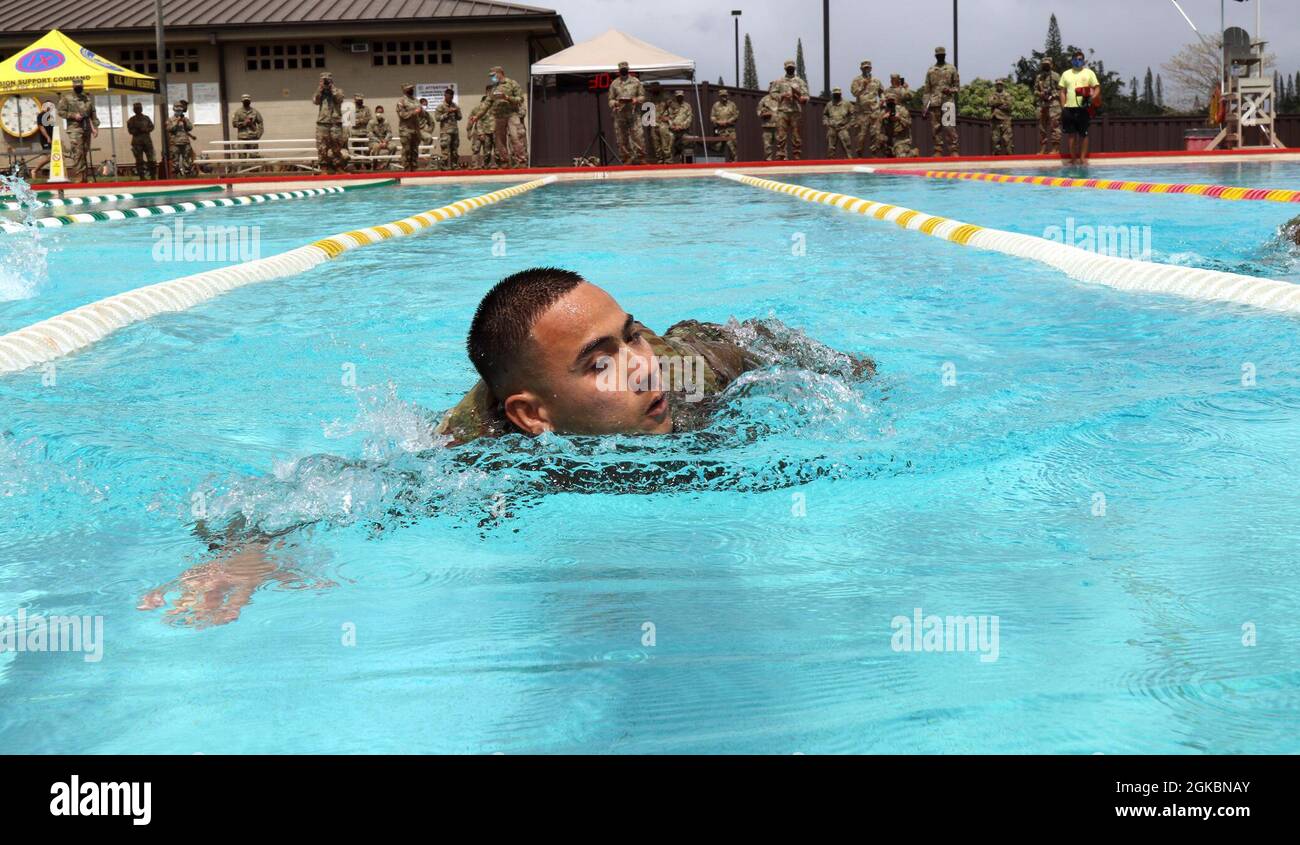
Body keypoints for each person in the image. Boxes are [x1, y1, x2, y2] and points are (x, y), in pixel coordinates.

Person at [138, 268, 875, 626]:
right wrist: (249, 548)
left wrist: (852, 377)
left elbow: (786, 358)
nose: (638, 366)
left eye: (629, 336)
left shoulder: (689, 367)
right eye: (600, 361)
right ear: (530, 414)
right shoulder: (486, 447)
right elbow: (341, 488)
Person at [1059, 50, 1100, 166]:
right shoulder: (1066, 74)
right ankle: (1073, 158)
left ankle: (1082, 158)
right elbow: (1062, 91)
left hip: (1083, 108)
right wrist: (1063, 106)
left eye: (1080, 59)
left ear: (1083, 61)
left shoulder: (1089, 73)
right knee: (1071, 135)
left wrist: (1093, 97)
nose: (1078, 61)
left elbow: (1097, 87)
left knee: (1084, 134)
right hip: (1069, 108)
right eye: (1076, 59)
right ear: (1072, 60)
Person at [56, 78, 99, 182]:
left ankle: (85, 177)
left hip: (86, 128)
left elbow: (92, 113)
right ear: (73, 86)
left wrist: (95, 127)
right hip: (74, 129)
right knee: (77, 152)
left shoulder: (87, 98)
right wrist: (73, 115)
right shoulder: (67, 97)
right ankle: (79, 176)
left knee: (84, 152)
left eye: (81, 86)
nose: (79, 88)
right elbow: (60, 111)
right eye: (77, 86)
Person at [768, 59, 810, 160]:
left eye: (792, 67)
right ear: (785, 68)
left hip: (795, 111)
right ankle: (781, 155)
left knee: (796, 135)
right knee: (781, 134)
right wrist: (782, 95)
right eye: (788, 68)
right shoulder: (779, 81)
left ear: (794, 68)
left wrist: (803, 98)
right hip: (782, 111)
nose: (790, 69)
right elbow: (772, 93)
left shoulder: (800, 81)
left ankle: (797, 154)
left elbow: (806, 95)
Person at [922, 46, 960, 156]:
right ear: (935, 56)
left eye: (942, 55)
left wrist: (950, 90)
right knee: (935, 128)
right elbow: (927, 90)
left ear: (945, 56)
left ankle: (954, 150)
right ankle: (938, 150)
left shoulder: (951, 69)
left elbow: (957, 87)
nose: (940, 57)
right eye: (938, 55)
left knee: (949, 126)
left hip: (948, 101)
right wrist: (925, 107)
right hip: (934, 102)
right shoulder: (931, 70)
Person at [488, 65, 527, 168]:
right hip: (499, 116)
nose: (492, 77)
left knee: (516, 138)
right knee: (500, 140)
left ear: (500, 73)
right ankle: (504, 162)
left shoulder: (512, 83)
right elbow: (487, 102)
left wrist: (507, 97)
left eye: (493, 75)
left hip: (512, 115)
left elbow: (520, 99)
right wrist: (477, 117)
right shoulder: (493, 87)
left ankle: (521, 161)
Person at [608, 61, 647, 165]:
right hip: (620, 115)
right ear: (619, 70)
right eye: (622, 69)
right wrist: (616, 103)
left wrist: (636, 100)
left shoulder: (636, 81)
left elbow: (642, 96)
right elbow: (610, 100)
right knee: (621, 139)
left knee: (638, 137)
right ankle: (626, 159)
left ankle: (641, 158)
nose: (623, 70)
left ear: (628, 69)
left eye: (625, 68)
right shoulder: (614, 83)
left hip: (634, 114)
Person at [312, 72, 346, 173]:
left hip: (335, 123)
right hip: (323, 123)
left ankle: (338, 166)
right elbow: (315, 101)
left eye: (327, 80)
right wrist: (320, 89)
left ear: (332, 81)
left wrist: (332, 88)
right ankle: (324, 168)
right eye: (324, 80)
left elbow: (339, 99)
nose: (326, 82)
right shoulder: (320, 92)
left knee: (337, 146)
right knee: (322, 147)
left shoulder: (338, 91)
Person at [849, 59, 884, 158]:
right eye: (864, 68)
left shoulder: (876, 81)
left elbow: (882, 92)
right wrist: (862, 86)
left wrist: (882, 99)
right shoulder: (856, 80)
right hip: (861, 112)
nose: (866, 69)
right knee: (861, 136)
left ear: (871, 68)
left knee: (876, 134)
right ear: (861, 69)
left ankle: (874, 154)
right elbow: (854, 93)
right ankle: (859, 154)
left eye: (868, 68)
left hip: (874, 111)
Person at [881, 86, 917, 158]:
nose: (890, 103)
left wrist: (899, 118)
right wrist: (882, 119)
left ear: (896, 101)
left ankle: (913, 153)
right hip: (888, 139)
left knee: (901, 157)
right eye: (889, 101)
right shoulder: (884, 111)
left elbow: (909, 123)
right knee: (889, 158)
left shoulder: (902, 110)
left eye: (892, 101)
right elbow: (877, 127)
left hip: (901, 139)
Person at [1035, 57, 1062, 155]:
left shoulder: (1056, 76)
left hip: (1054, 104)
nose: (1045, 66)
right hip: (1042, 104)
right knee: (1042, 127)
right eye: (1044, 64)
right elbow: (1035, 90)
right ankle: (1043, 148)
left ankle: (1055, 149)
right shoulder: (1039, 77)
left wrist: (1053, 94)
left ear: (1051, 65)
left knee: (1054, 126)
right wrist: (1040, 94)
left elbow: (1061, 90)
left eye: (1047, 64)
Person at [395, 82, 423, 171]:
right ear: (405, 90)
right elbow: (402, 115)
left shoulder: (416, 100)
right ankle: (406, 169)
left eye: (412, 88)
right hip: (406, 130)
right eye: (410, 88)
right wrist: (414, 112)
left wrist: (421, 111)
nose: (412, 90)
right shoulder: (401, 101)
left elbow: (421, 112)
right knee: (407, 150)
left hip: (415, 129)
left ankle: (414, 169)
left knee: (415, 150)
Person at [432, 88, 462, 169]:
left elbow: (460, 118)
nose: (450, 98)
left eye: (451, 97)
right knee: (445, 149)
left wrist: (456, 112)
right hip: (445, 131)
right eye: (448, 96)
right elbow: (437, 118)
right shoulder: (440, 106)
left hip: (454, 131)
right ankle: (444, 165)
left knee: (455, 149)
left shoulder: (455, 106)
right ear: (445, 96)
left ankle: (454, 165)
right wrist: (447, 113)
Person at [468, 84, 496, 169]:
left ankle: (485, 165)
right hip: (479, 132)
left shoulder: (494, 107)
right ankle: (474, 165)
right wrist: (469, 131)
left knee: (487, 150)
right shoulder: (478, 108)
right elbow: (475, 120)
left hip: (490, 131)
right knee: (476, 149)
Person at [126, 102, 156, 180]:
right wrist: (137, 130)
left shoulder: (146, 118)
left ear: (141, 109)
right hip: (137, 143)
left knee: (151, 160)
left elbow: (152, 127)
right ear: (134, 110)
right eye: (136, 109)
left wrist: (146, 130)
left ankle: (153, 176)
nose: (138, 110)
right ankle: (142, 176)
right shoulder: (131, 120)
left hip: (147, 142)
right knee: (139, 161)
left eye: (139, 108)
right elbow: (130, 131)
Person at [166, 102, 196, 177]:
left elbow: (190, 128)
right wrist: (177, 121)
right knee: (175, 163)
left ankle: (188, 176)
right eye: (177, 110)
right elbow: (169, 129)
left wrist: (184, 121)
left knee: (187, 162)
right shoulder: (170, 119)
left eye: (180, 110)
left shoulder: (185, 119)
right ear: (174, 110)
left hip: (185, 143)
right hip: (175, 143)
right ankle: (174, 178)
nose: (179, 112)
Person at [709, 88, 740, 162]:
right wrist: (717, 122)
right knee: (717, 148)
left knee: (733, 149)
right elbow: (712, 117)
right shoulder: (715, 105)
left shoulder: (732, 105)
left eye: (725, 95)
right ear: (719, 96)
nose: (724, 97)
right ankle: (719, 164)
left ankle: (733, 164)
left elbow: (736, 115)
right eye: (722, 96)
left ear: (727, 96)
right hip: (720, 131)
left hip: (730, 130)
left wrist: (728, 121)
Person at [663, 89, 693, 163]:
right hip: (672, 130)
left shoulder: (687, 106)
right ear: (675, 97)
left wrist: (681, 126)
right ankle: (669, 161)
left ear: (683, 96)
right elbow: (666, 117)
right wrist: (672, 125)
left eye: (681, 96)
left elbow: (689, 118)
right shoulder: (671, 105)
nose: (680, 98)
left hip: (684, 130)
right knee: (669, 139)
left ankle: (684, 161)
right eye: (678, 96)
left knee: (687, 142)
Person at [231, 94, 263, 161]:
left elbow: (260, 123)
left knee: (254, 156)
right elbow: (234, 124)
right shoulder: (238, 112)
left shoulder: (255, 112)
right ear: (242, 101)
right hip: (242, 138)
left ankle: (254, 171)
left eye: (248, 100)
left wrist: (258, 134)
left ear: (250, 101)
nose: (246, 102)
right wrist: (243, 123)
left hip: (253, 137)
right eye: (245, 100)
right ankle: (243, 171)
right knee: (242, 157)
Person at [823, 88, 854, 159]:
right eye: (835, 94)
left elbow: (853, 115)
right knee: (830, 147)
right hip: (832, 128)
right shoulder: (829, 104)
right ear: (833, 94)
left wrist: (849, 125)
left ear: (840, 94)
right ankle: (831, 162)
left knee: (847, 146)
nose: (836, 95)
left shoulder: (847, 104)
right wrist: (826, 122)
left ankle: (849, 161)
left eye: (838, 94)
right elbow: (825, 114)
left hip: (843, 128)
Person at [989, 78, 1014, 156]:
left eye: (1000, 84)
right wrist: (1002, 102)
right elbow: (990, 103)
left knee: (1007, 140)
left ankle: (1010, 157)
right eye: (997, 85)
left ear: (1003, 85)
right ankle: (996, 158)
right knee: (995, 140)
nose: (999, 86)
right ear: (996, 86)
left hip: (1005, 120)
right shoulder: (992, 95)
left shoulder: (1007, 95)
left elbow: (1009, 106)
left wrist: (997, 104)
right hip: (995, 120)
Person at [348, 93, 371, 167]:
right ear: (355, 100)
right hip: (355, 134)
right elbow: (352, 122)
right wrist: (362, 120)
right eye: (358, 100)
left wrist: (359, 120)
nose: (360, 101)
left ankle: (368, 168)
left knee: (366, 151)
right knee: (357, 152)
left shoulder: (366, 109)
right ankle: (357, 168)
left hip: (365, 133)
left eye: (361, 100)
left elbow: (370, 119)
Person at [757, 89, 780, 161]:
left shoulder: (781, 98)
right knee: (767, 145)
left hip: (779, 126)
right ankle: (768, 160)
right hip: (767, 125)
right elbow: (758, 111)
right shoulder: (764, 99)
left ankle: (781, 160)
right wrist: (763, 114)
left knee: (781, 144)